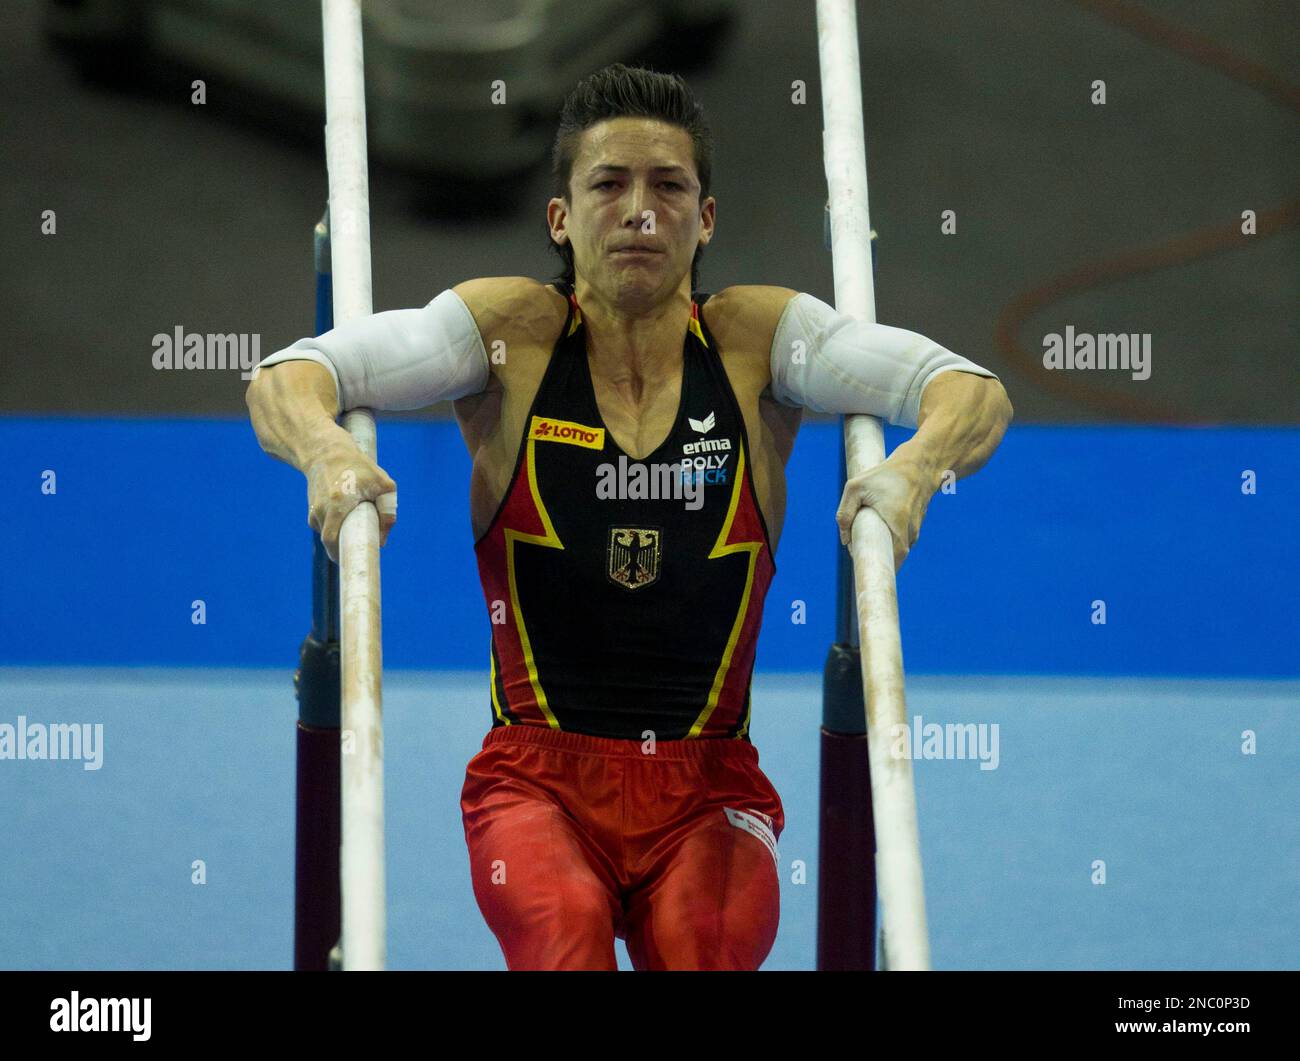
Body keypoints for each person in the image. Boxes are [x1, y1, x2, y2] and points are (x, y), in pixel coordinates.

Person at [246, 63, 1012, 970]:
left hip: (709, 788)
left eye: (669, 186)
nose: (641, 210)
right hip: (534, 781)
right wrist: (326, 450)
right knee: (565, 937)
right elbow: (287, 376)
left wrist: (913, 472)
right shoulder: (509, 334)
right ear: (561, 218)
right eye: (609, 184)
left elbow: (971, 391)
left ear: (708, 217)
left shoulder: (761, 343)